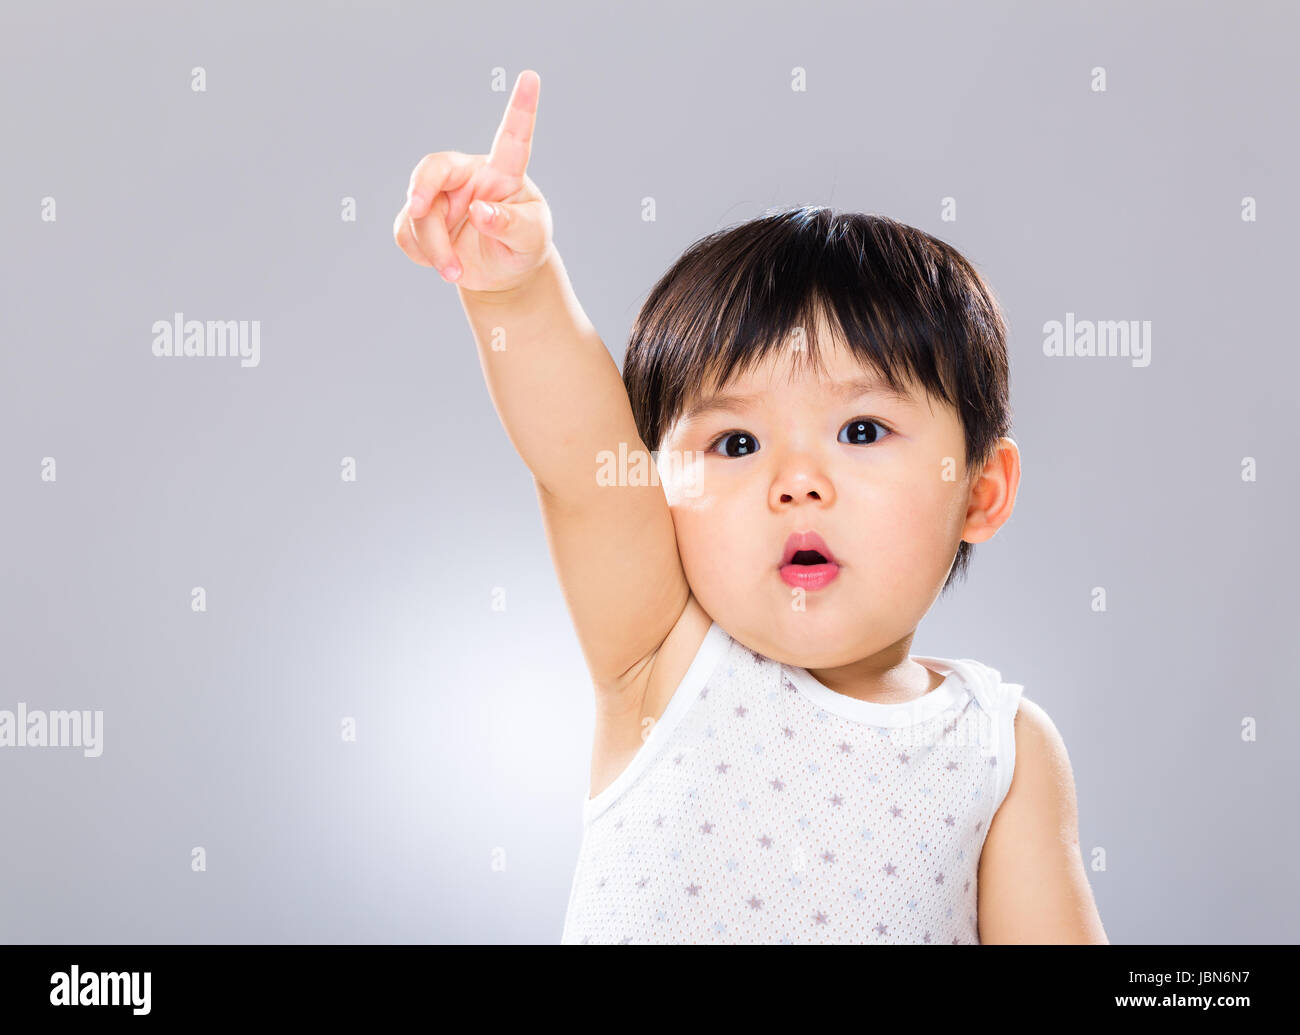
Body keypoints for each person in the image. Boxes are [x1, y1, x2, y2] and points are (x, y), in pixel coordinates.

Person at [394, 69, 1107, 945]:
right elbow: (580, 469)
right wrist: (514, 288)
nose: (797, 482)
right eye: (736, 444)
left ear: (981, 492)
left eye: (861, 429)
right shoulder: (665, 656)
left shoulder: (1002, 749)